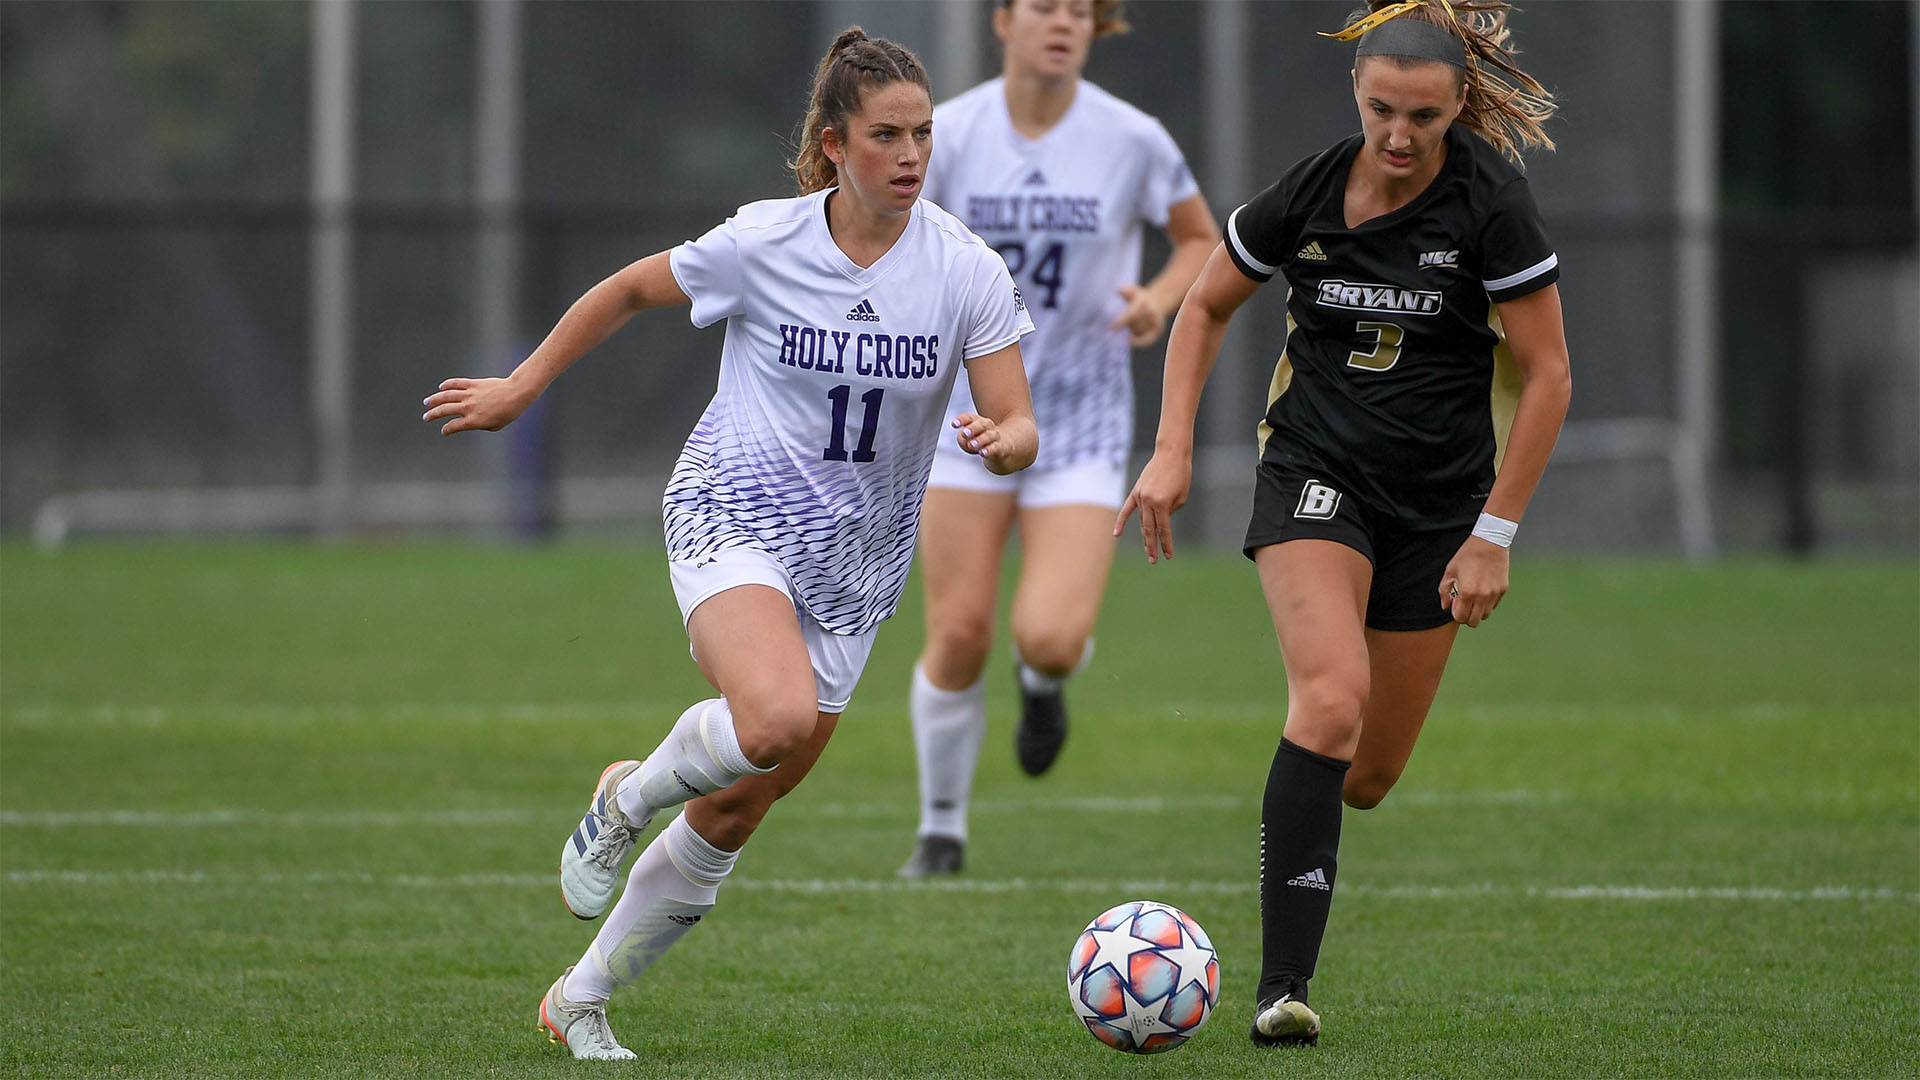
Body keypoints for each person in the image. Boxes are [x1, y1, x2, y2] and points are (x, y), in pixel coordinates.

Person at [422, 29, 1037, 1060]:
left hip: (856, 569)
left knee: (743, 803)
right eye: (886, 134)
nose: (911, 154)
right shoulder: (764, 243)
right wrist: (523, 386)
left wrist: (999, 440)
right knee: (774, 714)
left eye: (923, 133)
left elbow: (1018, 424)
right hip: (732, 514)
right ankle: (625, 801)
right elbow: (626, 290)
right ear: (834, 144)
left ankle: (579, 996)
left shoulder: (966, 270)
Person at [1116, 0, 1571, 1048]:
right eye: (1381, 111)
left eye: (1423, 115)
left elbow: (1549, 377)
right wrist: (1174, 446)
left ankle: (1304, 812)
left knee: (1366, 776)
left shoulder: (1491, 204)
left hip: (1442, 508)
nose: (1400, 136)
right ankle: (1283, 993)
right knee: (1329, 701)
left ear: (1460, 105)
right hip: (1314, 476)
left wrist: (1492, 535)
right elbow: (1204, 304)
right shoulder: (1314, 188)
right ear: (1354, 95)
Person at [897, 0, 1218, 878]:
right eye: (1045, 6)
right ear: (1003, 20)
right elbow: (894, 239)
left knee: (1046, 634)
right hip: (966, 416)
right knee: (958, 633)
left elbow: (1199, 239)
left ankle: (1044, 686)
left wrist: (1157, 296)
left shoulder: (1131, 137)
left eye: (1081, 11)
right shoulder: (950, 134)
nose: (1063, 23)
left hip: (1080, 424)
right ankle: (941, 831)